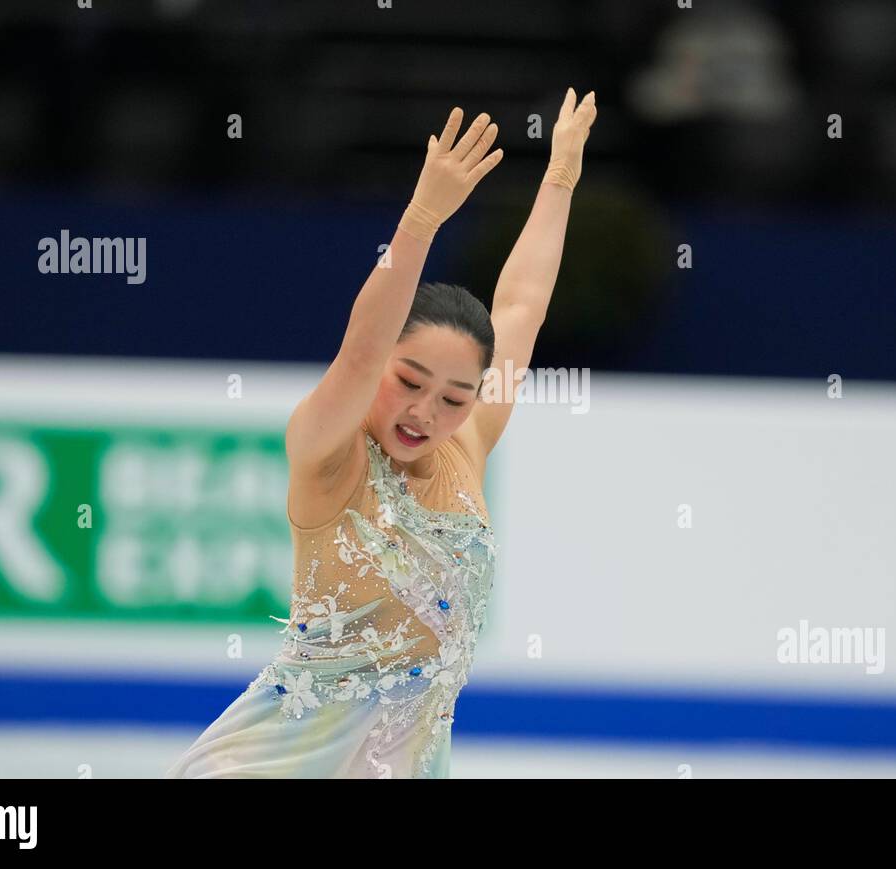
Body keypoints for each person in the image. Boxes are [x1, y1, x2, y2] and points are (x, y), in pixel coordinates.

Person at [166, 88, 597, 778]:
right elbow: (361, 352)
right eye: (410, 380)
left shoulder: (468, 444)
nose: (425, 411)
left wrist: (561, 176)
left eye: (455, 395)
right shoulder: (328, 452)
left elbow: (521, 305)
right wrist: (422, 218)